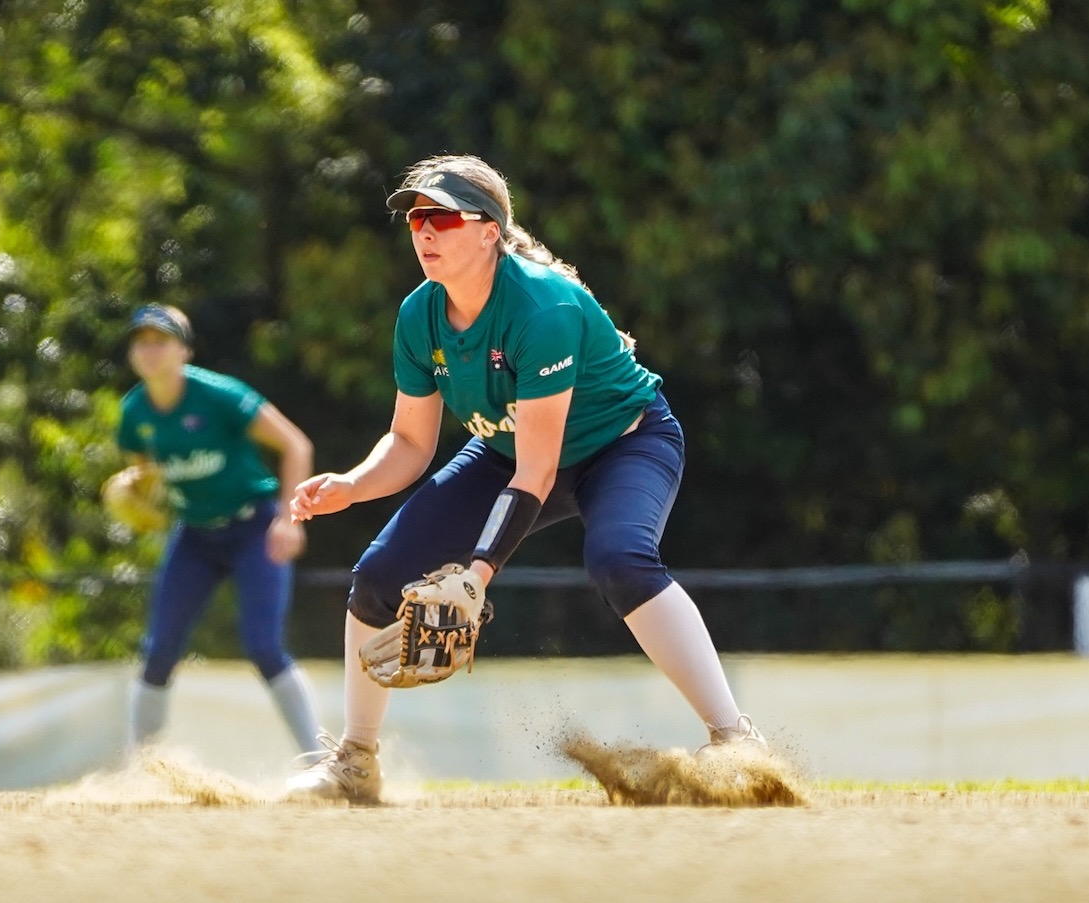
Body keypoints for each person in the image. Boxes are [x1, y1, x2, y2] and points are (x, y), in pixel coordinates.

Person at [283, 155, 764, 803]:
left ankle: (733, 738)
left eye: (444, 216)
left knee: (620, 559)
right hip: (509, 451)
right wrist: (352, 483)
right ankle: (355, 762)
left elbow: (542, 469)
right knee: (376, 576)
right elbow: (409, 442)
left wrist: (474, 576)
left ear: (489, 231)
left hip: (620, 445)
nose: (425, 230)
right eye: (417, 218)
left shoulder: (543, 308)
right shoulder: (420, 315)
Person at [116, 303, 324, 756]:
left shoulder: (219, 395)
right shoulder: (134, 413)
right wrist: (135, 493)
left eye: (161, 340)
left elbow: (296, 445)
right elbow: (147, 476)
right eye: (141, 341)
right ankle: (144, 773)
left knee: (265, 647)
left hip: (253, 527)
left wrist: (290, 519)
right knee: (158, 651)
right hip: (194, 535)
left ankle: (319, 761)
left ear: (184, 350)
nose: (149, 350)